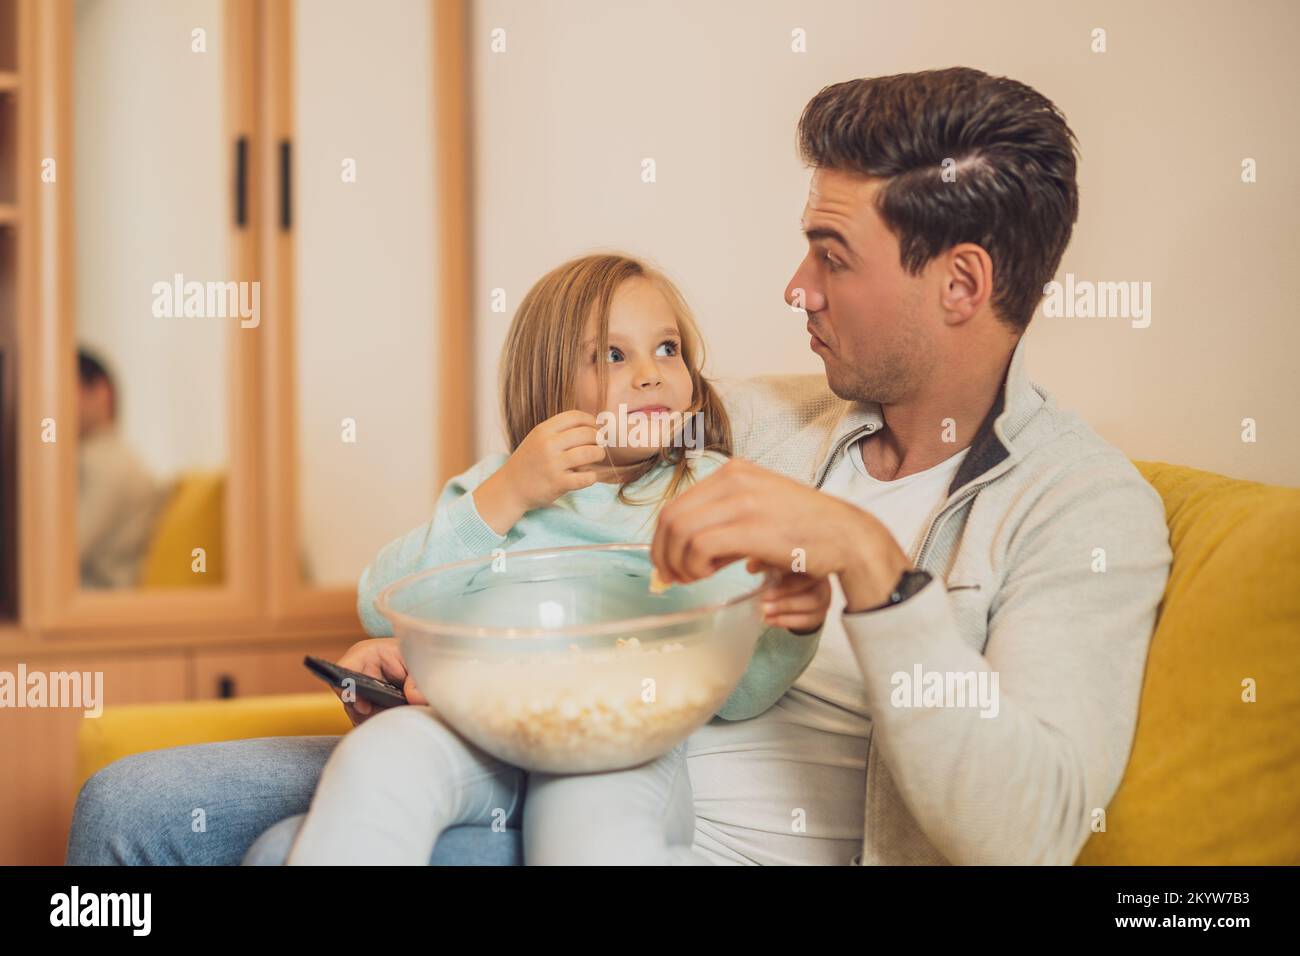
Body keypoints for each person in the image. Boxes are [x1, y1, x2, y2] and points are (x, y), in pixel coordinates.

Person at [68, 67, 1171, 867]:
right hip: (527, 734)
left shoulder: (1081, 509)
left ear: (961, 284)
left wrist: (873, 566)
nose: (795, 287)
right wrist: (440, 639)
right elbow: (549, 473)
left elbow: (1025, 833)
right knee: (133, 803)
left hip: (660, 814)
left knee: (272, 851)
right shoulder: (758, 414)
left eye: (830, 255)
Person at [286, 252, 828, 865]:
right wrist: (506, 496)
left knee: (590, 836)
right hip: (479, 734)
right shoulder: (501, 487)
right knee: (378, 759)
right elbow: (382, 607)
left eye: (668, 348)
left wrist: (794, 626)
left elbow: (740, 693)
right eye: (613, 355)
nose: (651, 374)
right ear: (549, 383)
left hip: (622, 751)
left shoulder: (712, 491)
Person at [77, 349, 170, 589]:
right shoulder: (114, 458)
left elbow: (61, 553)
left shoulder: (105, 464)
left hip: (100, 602)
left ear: (100, 392)